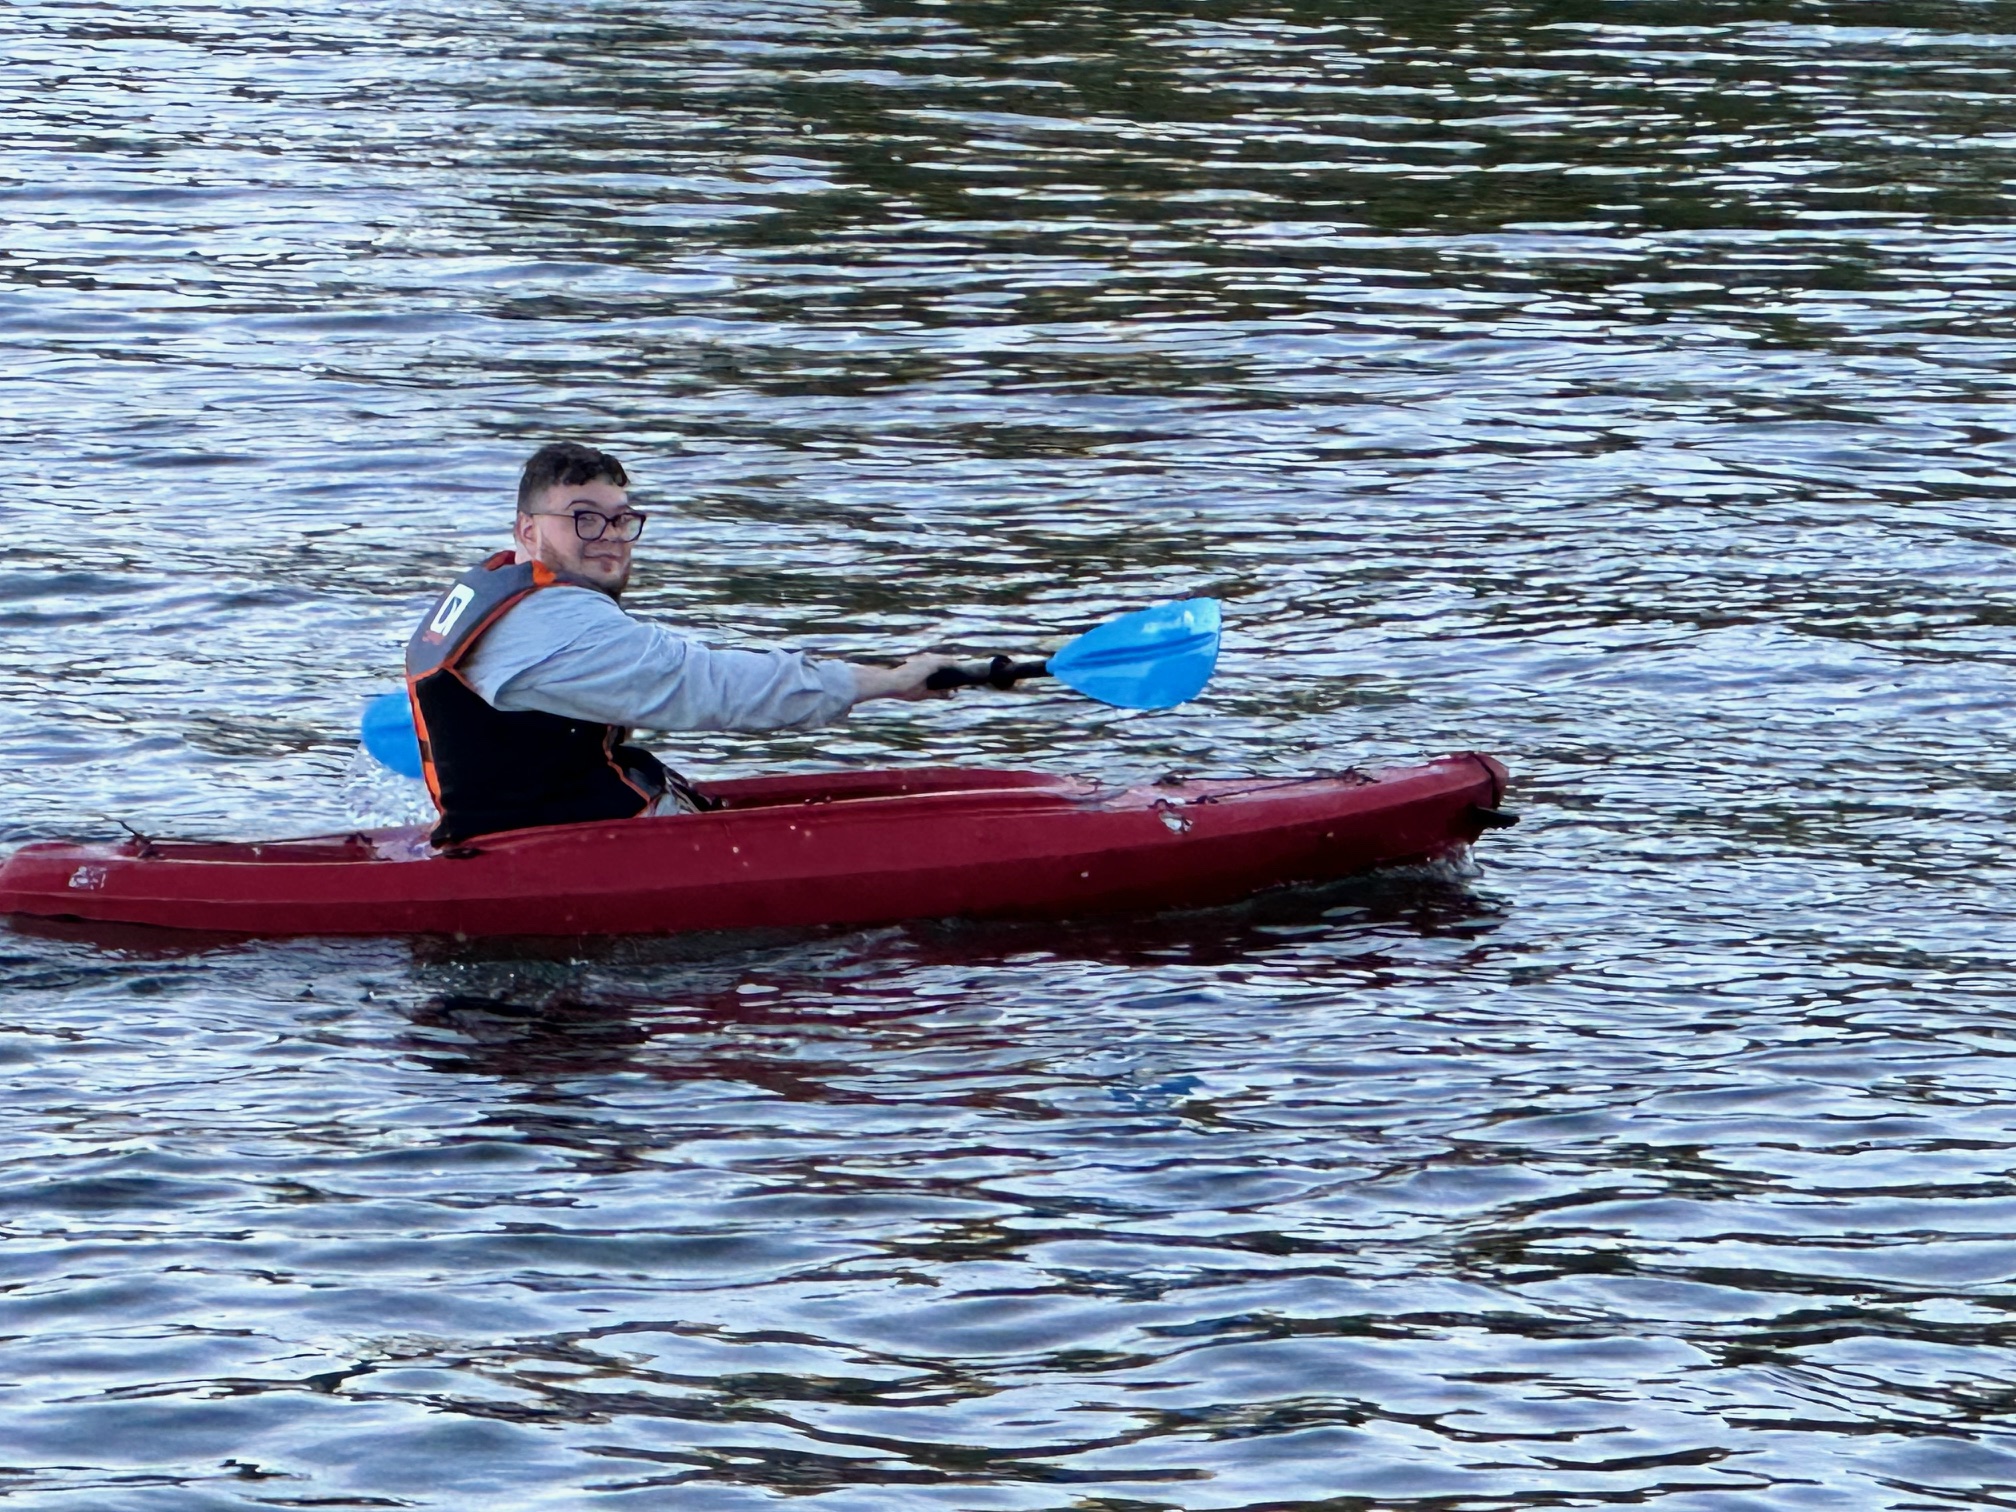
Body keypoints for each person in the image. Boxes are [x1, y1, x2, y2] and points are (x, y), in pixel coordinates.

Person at [407, 441, 960, 845]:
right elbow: (709, 688)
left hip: (503, 836)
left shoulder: (491, 588)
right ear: (528, 532)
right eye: (584, 521)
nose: (611, 539)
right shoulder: (553, 625)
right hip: (561, 851)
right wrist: (886, 682)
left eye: (622, 521)